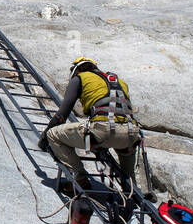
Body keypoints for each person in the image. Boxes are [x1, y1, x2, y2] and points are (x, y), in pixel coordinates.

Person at [39, 57, 139, 196]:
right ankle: (133, 191)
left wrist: (45, 136)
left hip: (102, 131)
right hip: (130, 134)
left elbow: (62, 114)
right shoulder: (119, 81)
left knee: (53, 135)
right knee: (127, 165)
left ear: (78, 69)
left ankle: (80, 178)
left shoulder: (80, 78)